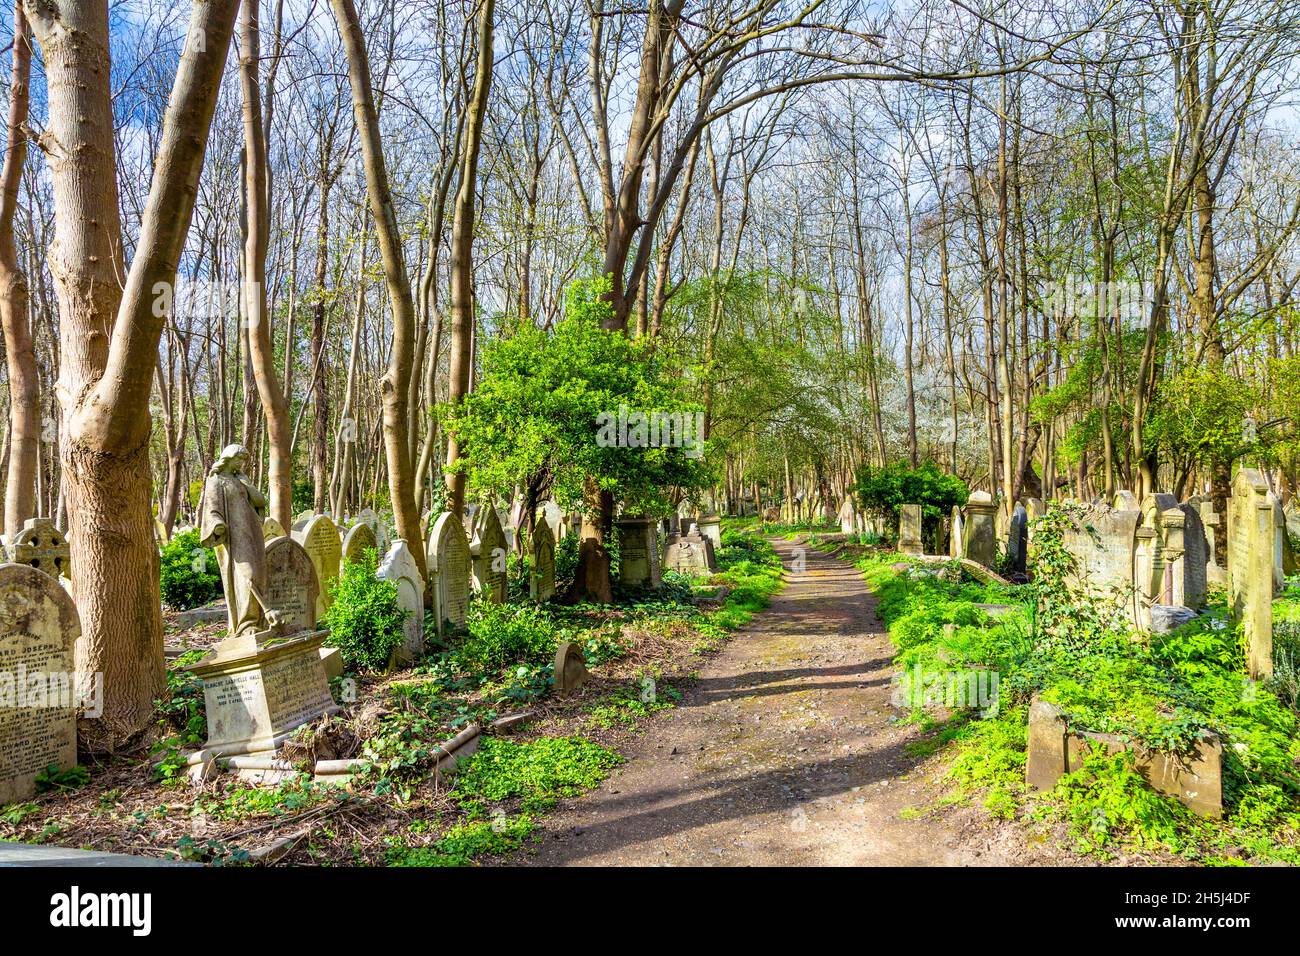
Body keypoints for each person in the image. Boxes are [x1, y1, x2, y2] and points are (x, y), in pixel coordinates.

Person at [199, 444, 283, 639]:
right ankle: (246, 624)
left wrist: (248, 485)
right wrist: (217, 524)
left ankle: (259, 622)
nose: (241, 464)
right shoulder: (216, 480)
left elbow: (260, 502)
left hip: (253, 530)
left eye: (243, 460)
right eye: (239, 459)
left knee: (259, 576)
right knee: (248, 575)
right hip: (235, 536)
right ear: (228, 458)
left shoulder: (241, 479)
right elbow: (212, 507)